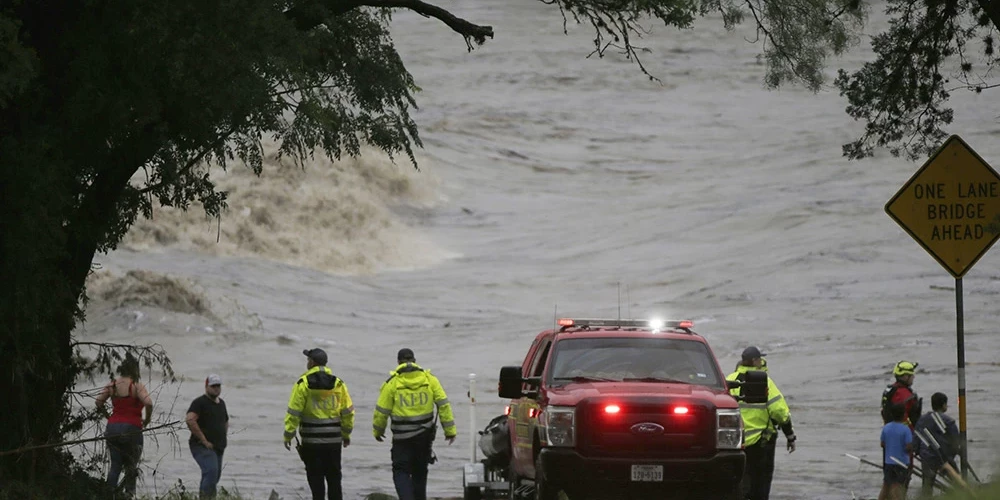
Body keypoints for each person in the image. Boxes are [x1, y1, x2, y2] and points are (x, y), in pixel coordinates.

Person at [373, 348, 457, 500]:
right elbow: (443, 404)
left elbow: (381, 412)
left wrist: (378, 432)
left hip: (401, 439)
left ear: (398, 362)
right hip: (423, 437)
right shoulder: (429, 380)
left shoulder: (392, 383)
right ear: (414, 360)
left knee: (400, 471)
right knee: (420, 472)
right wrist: (449, 430)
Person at [284, 348, 355, 500]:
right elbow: (348, 412)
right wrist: (346, 434)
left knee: (316, 480)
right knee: (334, 479)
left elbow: (294, 412)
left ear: (312, 363)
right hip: (334, 441)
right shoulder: (338, 383)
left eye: (308, 360)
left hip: (311, 441)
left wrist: (288, 434)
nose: (307, 363)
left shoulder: (303, 384)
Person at [726, 346, 796, 500]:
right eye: (760, 359)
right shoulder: (765, 382)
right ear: (754, 361)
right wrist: (790, 435)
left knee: (738, 485)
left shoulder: (729, 380)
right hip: (761, 444)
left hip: (735, 444)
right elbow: (779, 412)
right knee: (760, 487)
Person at [96, 354, 154, 499]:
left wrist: (108, 416)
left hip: (112, 428)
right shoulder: (136, 386)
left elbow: (98, 401)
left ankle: (109, 495)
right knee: (131, 467)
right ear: (135, 370)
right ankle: (128, 496)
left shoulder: (113, 385)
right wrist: (146, 420)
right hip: (132, 429)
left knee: (115, 466)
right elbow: (148, 403)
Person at [186, 373, 229, 499]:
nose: (216, 388)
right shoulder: (200, 402)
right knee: (211, 471)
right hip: (202, 446)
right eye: (213, 386)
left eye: (218, 386)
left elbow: (225, 421)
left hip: (218, 447)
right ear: (206, 386)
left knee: (214, 476)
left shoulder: (221, 404)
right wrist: (204, 440)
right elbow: (190, 420)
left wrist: (223, 438)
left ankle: (207, 497)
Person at [914, 392, 960, 497]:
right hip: (943, 457)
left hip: (927, 457)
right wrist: (952, 455)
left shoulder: (922, 420)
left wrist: (917, 451)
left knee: (927, 485)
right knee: (957, 480)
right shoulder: (948, 421)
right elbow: (955, 441)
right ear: (944, 405)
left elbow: (917, 437)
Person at [879, 404, 914, 500]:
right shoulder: (906, 429)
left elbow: (882, 444)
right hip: (901, 463)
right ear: (903, 415)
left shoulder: (886, 428)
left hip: (888, 462)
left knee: (886, 485)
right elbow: (908, 447)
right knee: (897, 486)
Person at [881, 360, 922, 428]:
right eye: (911, 375)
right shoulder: (903, 394)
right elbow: (903, 418)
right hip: (902, 433)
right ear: (905, 376)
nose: (913, 377)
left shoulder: (891, 389)